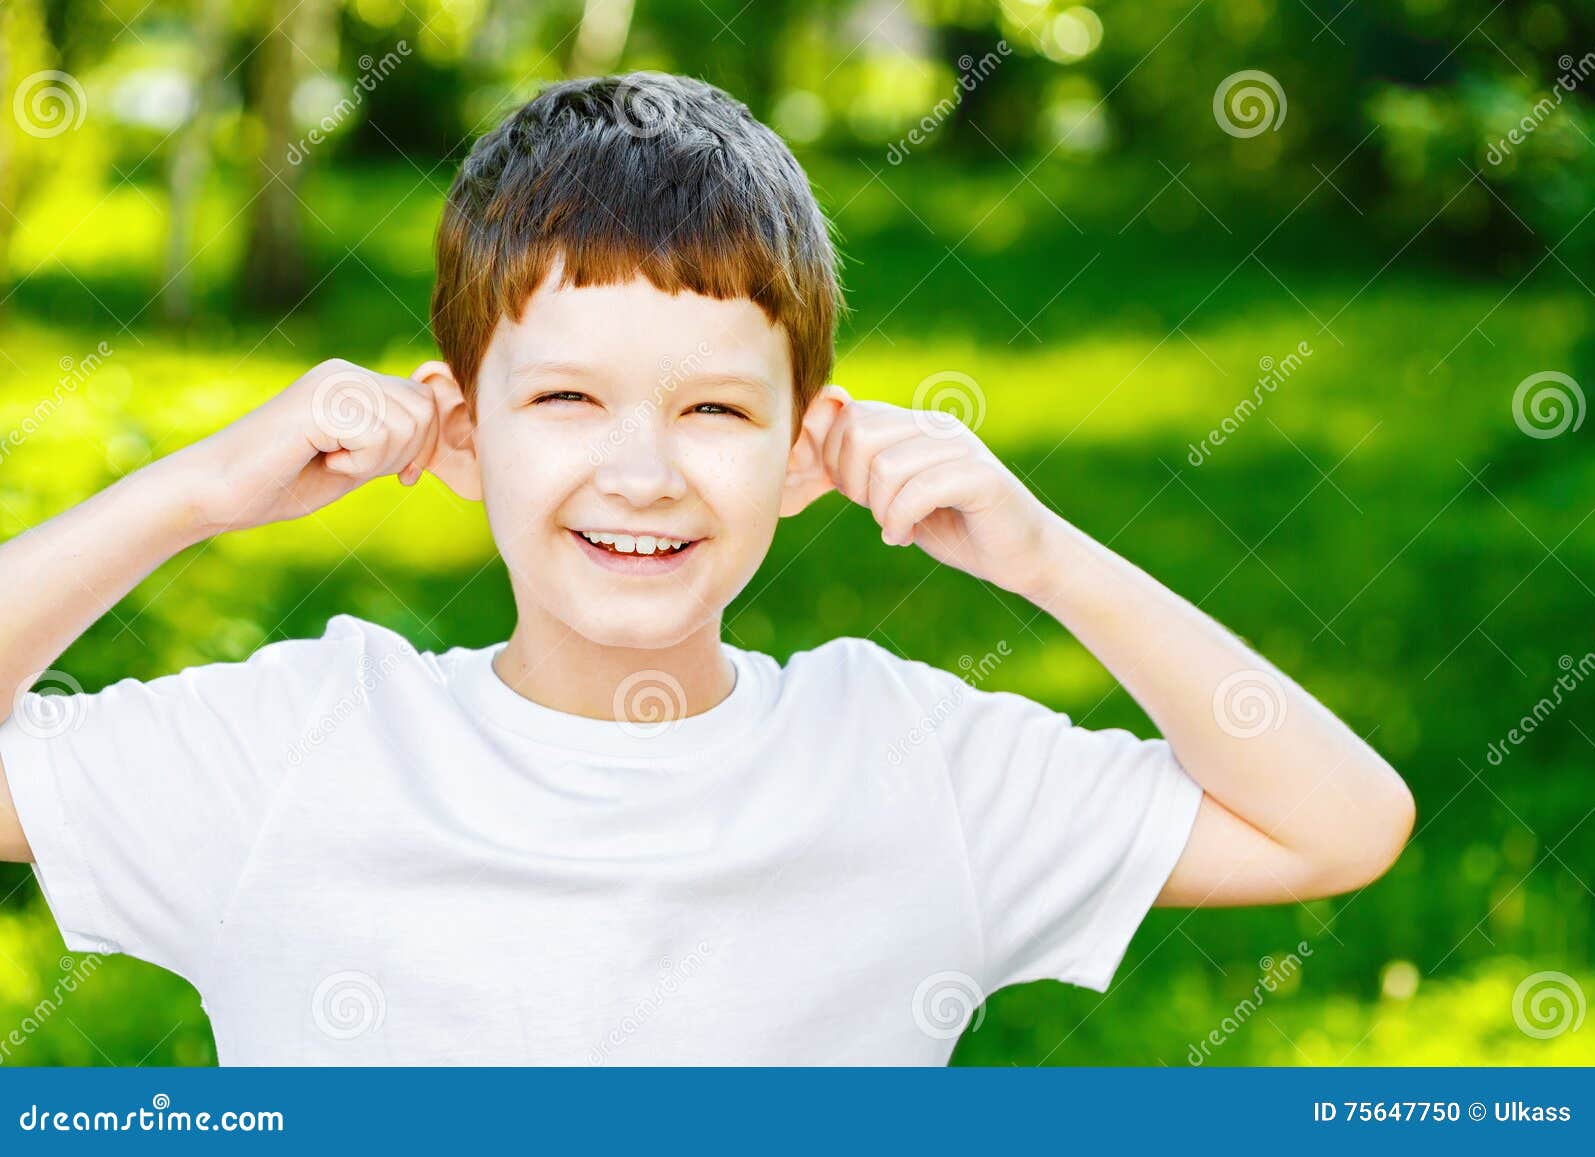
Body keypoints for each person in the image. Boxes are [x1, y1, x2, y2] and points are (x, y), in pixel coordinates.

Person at [0, 73, 1414, 1065]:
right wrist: (190, 494)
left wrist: (1048, 561)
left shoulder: (906, 756)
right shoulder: (296, 745)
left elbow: (1338, 825)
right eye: (563, 401)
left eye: (714, 410)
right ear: (458, 432)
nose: (643, 471)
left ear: (806, 454)